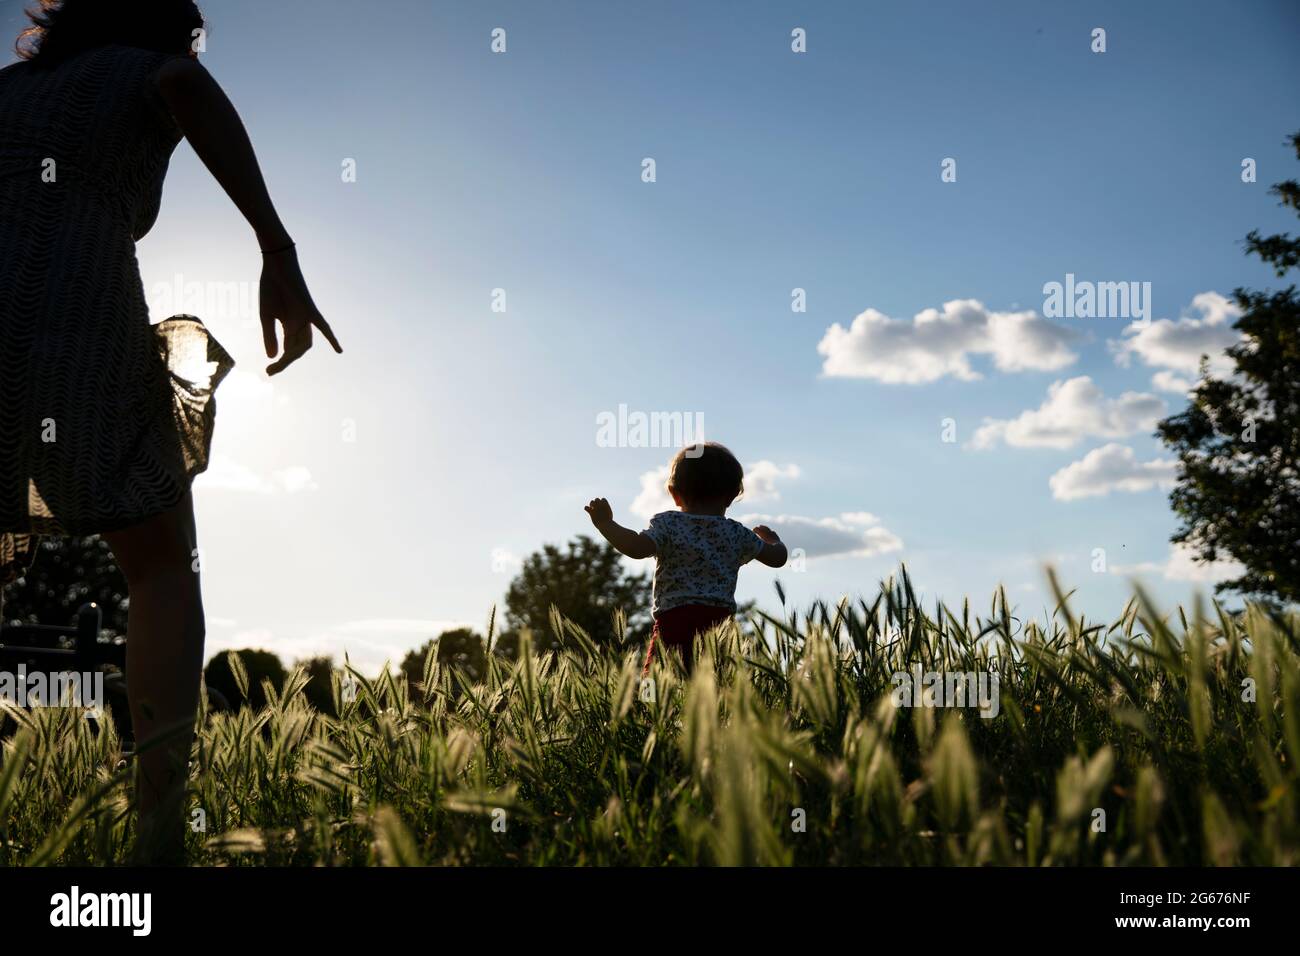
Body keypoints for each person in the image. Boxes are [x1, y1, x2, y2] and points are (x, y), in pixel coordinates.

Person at [0, 0, 341, 862]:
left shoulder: (7, 88)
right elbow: (184, 83)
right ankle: (158, 820)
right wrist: (276, 245)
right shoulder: (146, 69)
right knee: (157, 559)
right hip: (76, 309)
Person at [584, 442, 787, 673]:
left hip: (674, 624)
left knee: (655, 687)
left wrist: (606, 525)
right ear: (731, 496)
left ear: (674, 494)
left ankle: (644, 708)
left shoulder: (669, 524)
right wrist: (773, 540)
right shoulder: (736, 534)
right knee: (716, 687)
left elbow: (636, 548)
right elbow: (777, 558)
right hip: (719, 628)